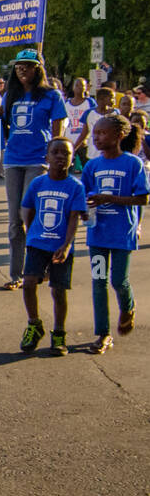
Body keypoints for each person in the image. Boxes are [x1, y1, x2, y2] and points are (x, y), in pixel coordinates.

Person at [82, 115, 149, 354]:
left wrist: (109, 198)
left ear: (120, 135)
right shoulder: (91, 166)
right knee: (98, 282)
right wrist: (84, 211)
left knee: (118, 280)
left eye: (102, 133)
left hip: (122, 234)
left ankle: (128, 307)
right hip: (98, 235)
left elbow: (143, 197)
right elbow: (85, 198)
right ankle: (103, 333)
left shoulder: (132, 164)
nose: (97, 138)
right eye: (95, 133)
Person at [1, 50, 66, 290]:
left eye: (28, 66)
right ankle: (16, 274)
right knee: (14, 221)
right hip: (13, 160)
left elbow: (58, 132)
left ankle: (42, 266)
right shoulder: (10, 95)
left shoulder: (51, 96)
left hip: (38, 160)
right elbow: (4, 126)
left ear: (37, 69)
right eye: (19, 67)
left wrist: (57, 159)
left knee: (31, 215)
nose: (22, 70)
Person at [18, 138, 87, 356]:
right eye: (55, 152)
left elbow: (74, 217)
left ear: (71, 158)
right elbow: (27, 210)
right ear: (46, 157)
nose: (60, 157)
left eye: (65, 153)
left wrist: (66, 245)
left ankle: (58, 333)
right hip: (37, 243)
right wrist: (31, 235)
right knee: (28, 283)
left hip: (61, 246)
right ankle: (34, 324)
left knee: (58, 290)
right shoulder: (38, 183)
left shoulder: (75, 186)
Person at [75, 86, 117, 166]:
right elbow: (84, 134)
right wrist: (74, 149)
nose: (114, 101)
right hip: (93, 153)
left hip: (111, 153)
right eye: (112, 98)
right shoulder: (89, 113)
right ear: (102, 99)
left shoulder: (115, 113)